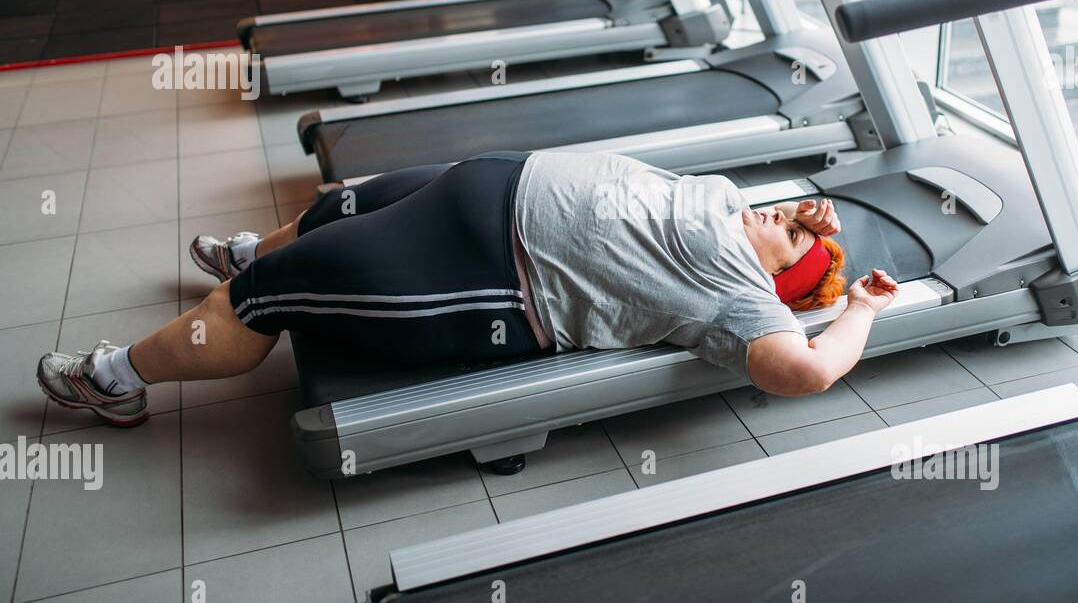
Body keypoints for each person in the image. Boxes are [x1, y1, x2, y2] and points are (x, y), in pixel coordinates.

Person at [38, 151, 899, 426]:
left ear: (779, 276)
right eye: (796, 213)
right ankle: (245, 254)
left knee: (270, 294)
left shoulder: (742, 295)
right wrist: (814, 217)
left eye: (793, 229)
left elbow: (809, 371)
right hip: (472, 188)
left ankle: (116, 379)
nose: (790, 213)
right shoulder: (724, 199)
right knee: (335, 206)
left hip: (488, 276)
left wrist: (854, 304)